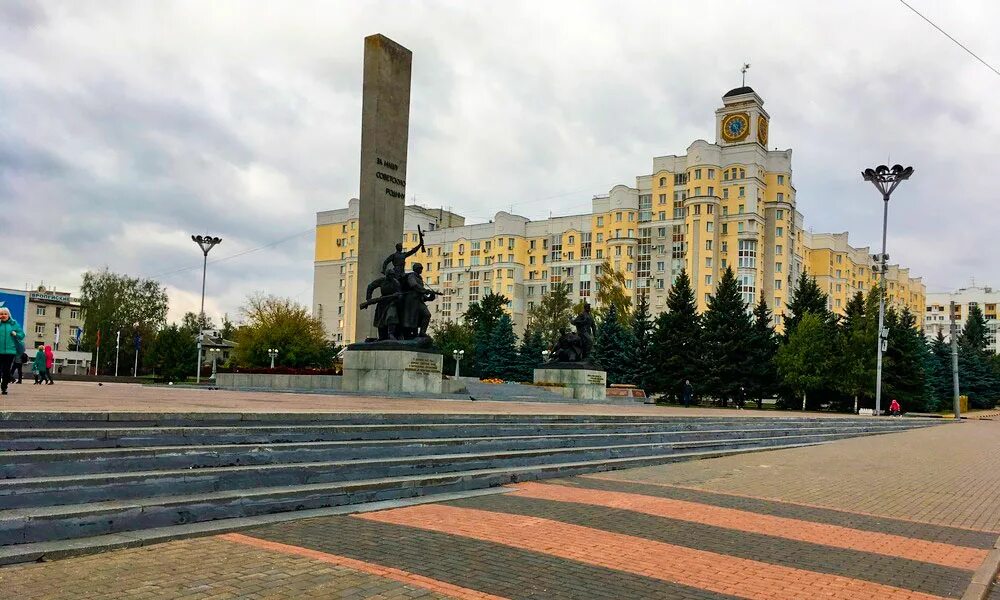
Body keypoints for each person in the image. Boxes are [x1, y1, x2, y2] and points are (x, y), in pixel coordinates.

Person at [0, 307, 26, 396]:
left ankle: (4, 387)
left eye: (5, 314)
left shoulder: (13, 324)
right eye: (1, 314)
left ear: (8, 315)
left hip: (10, 352)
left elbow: (22, 335)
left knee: (6, 370)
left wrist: (16, 334)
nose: (3, 316)